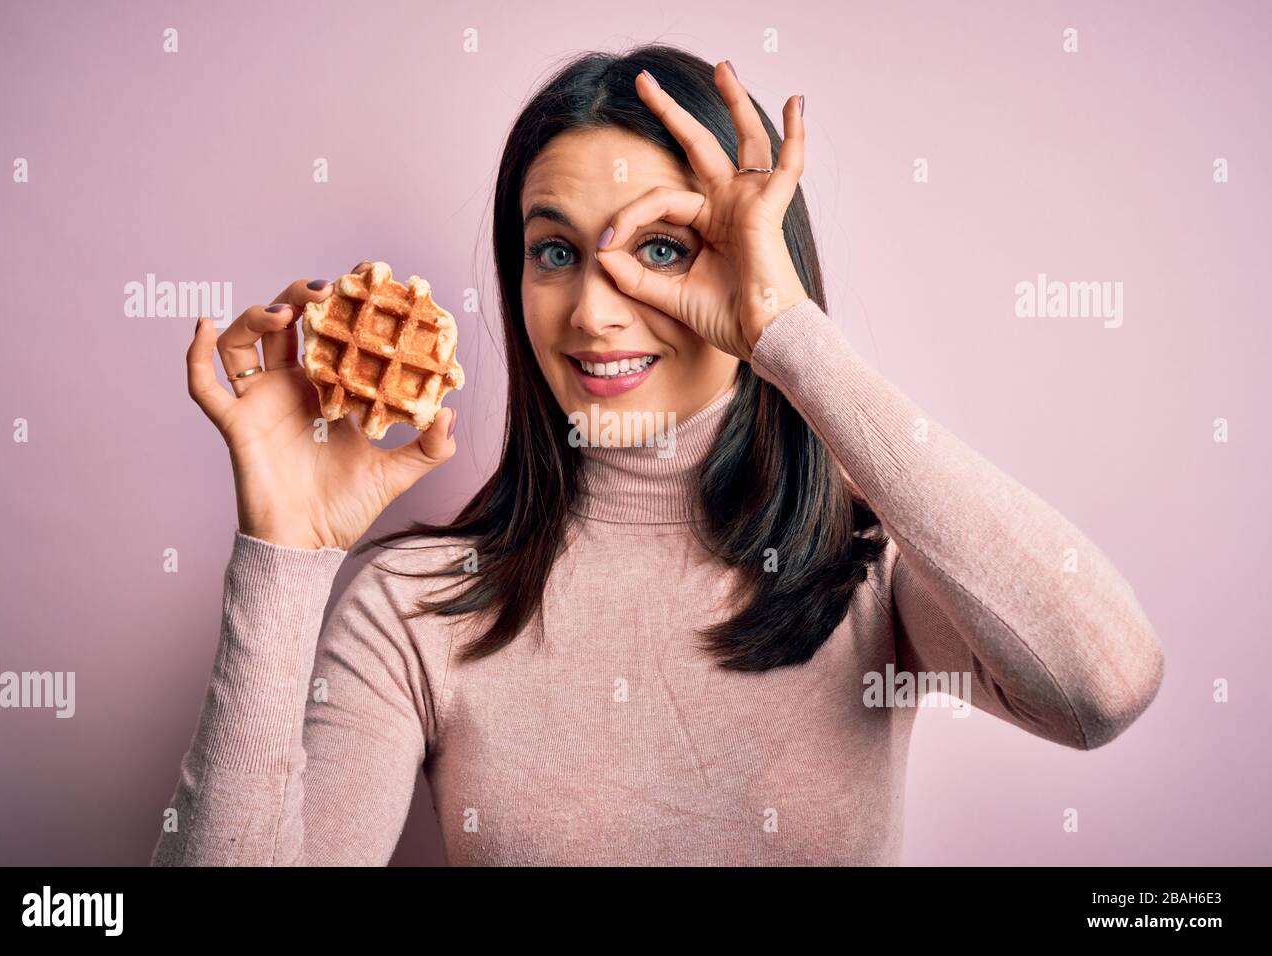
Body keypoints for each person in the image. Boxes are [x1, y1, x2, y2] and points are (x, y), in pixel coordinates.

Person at [154, 45, 1164, 866]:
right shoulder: (416, 603)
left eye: (663, 249)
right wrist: (283, 553)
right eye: (553, 252)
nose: (592, 313)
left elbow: (1101, 687)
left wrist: (791, 340)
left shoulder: (870, 573)